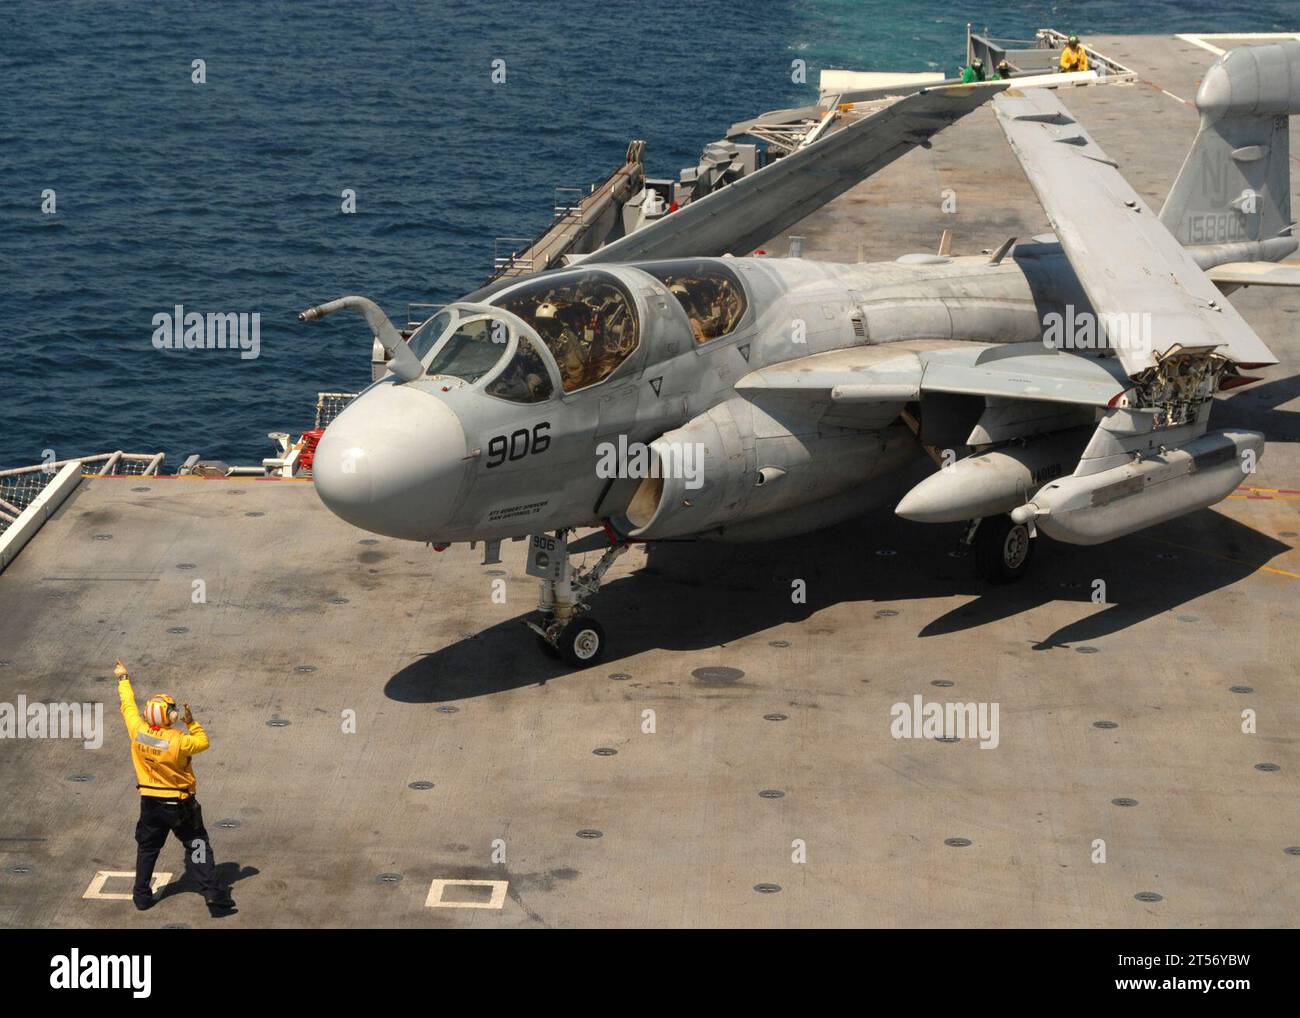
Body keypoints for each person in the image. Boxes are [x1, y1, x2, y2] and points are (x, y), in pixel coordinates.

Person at [115, 660, 235, 915]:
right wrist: (192, 722)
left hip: (150, 804)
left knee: (148, 848)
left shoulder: (137, 731)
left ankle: (142, 896)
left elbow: (127, 707)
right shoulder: (179, 740)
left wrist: (123, 679)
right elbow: (203, 742)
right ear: (169, 717)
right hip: (181, 805)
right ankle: (212, 893)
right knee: (198, 844)